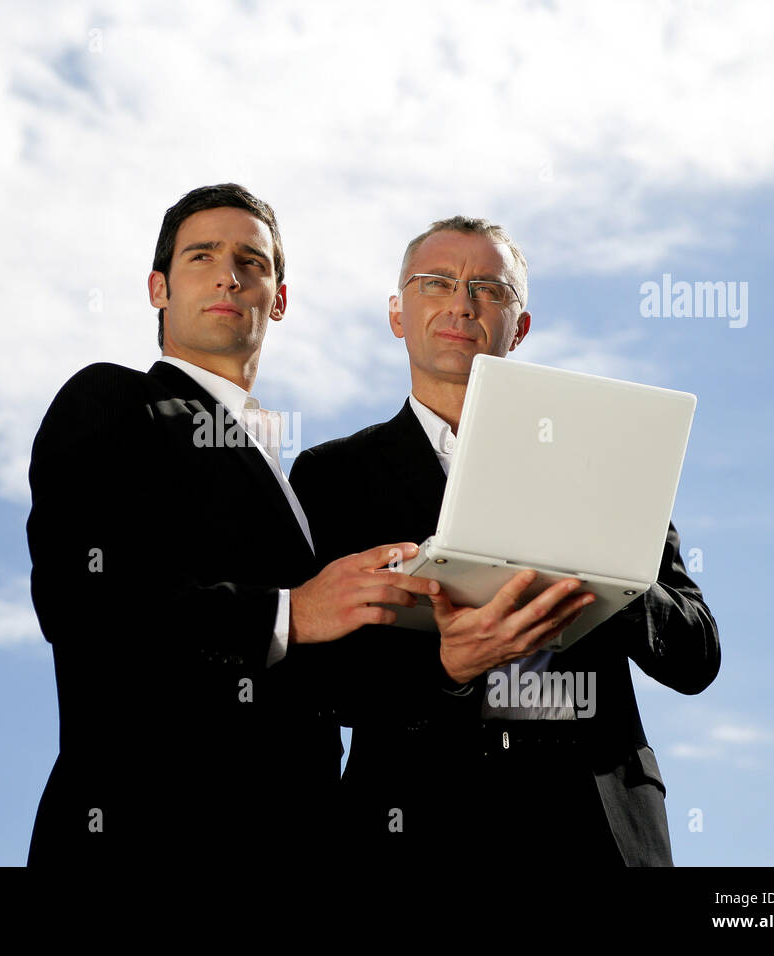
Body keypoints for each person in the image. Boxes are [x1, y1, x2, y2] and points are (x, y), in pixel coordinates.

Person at [24, 184, 440, 876]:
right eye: (202, 256)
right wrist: (292, 610)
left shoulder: (291, 482)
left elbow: (307, 680)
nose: (229, 274)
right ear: (157, 288)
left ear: (278, 298)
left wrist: (446, 656)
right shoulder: (114, 401)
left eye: (252, 261)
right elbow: (81, 599)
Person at [289, 216, 720, 866]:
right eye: (437, 283)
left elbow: (695, 655)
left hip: (597, 829)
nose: (462, 303)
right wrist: (445, 673)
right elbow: (321, 682)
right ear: (397, 313)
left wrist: (600, 559)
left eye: (489, 289)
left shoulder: (607, 457)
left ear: (519, 327)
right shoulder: (332, 476)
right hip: (420, 825)